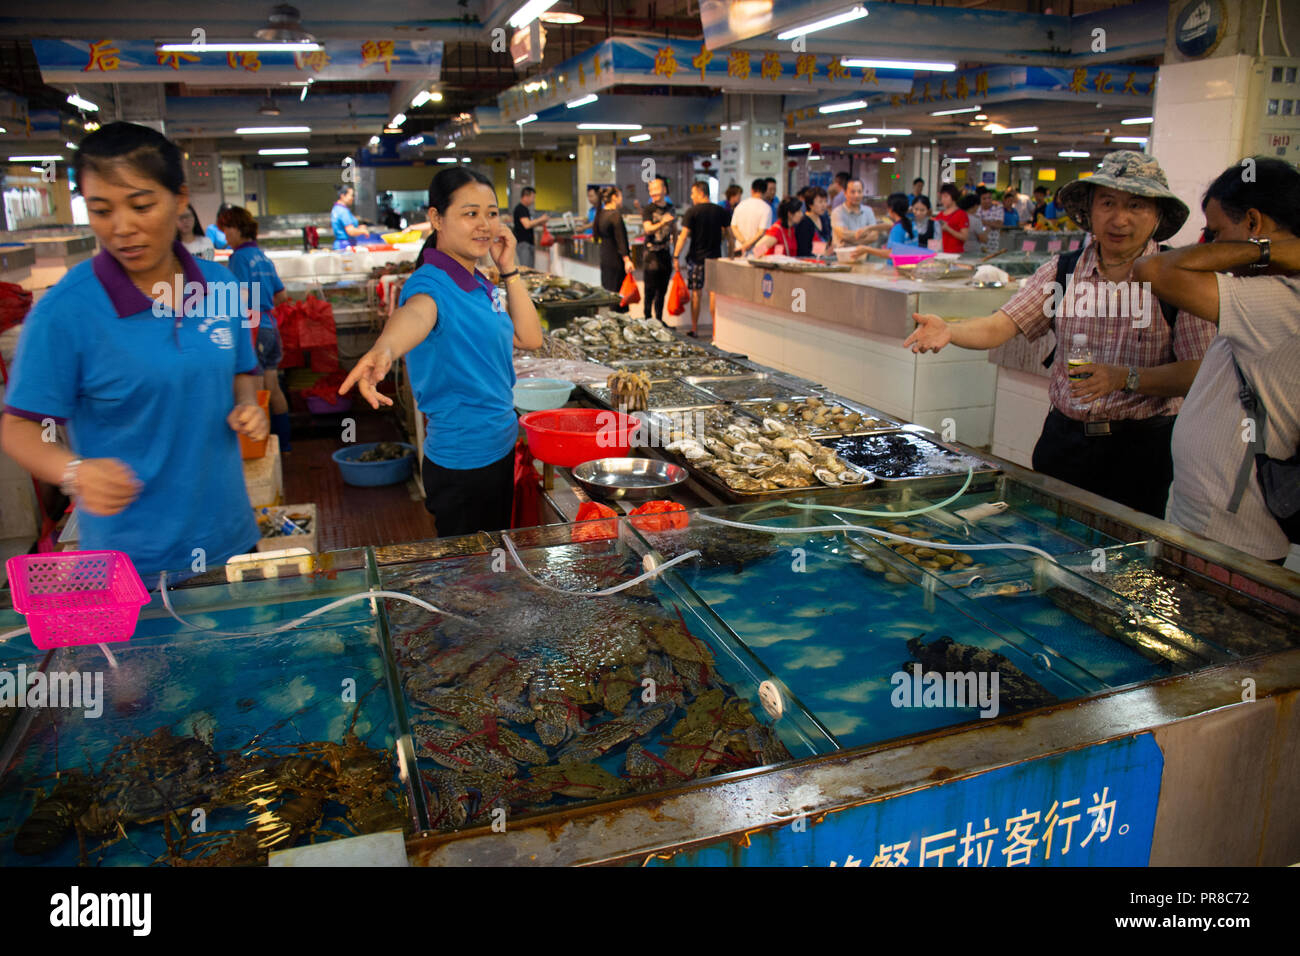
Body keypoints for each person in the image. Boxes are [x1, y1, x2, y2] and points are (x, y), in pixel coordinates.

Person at [0, 122, 266, 579]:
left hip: (230, 540)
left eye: (141, 205)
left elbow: (243, 370)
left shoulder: (220, 286)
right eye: (101, 211)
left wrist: (246, 405)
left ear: (180, 199)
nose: (122, 228)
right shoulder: (66, 312)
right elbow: (20, 427)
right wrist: (74, 472)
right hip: (132, 563)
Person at [904, 150, 1217, 518]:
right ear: (1089, 210)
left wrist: (1127, 378)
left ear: (1157, 214)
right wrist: (951, 330)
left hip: (1140, 449)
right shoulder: (1062, 271)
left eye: (1136, 205)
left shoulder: (1180, 280)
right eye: (1108, 203)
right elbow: (1001, 324)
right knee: (1048, 540)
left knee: (1126, 558)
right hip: (1065, 441)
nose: (1120, 219)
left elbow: (1201, 371)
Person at [338, 168, 543, 538]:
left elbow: (530, 338)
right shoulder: (431, 283)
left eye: (492, 213)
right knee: (470, 579)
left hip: (497, 446)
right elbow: (416, 313)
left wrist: (508, 268)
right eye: (470, 213)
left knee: (492, 565)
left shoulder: (478, 279)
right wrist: (384, 349)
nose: (484, 225)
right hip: (464, 464)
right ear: (436, 218)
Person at [1133, 158, 1300, 563]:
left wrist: (1262, 253)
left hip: (1230, 539)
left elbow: (1152, 268)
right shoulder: (1264, 293)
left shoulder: (1282, 299)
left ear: (1254, 224)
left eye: (1217, 233)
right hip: (1207, 524)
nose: (1210, 246)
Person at [217, 204, 292, 453]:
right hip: (270, 326)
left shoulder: (239, 258)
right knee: (274, 388)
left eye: (226, 229)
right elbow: (281, 295)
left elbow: (239, 297)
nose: (225, 235)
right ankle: (285, 446)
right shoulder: (262, 257)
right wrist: (263, 301)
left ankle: (261, 449)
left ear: (238, 228)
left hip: (253, 328)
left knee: (257, 394)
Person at [674, 180, 732, 338]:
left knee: (696, 294)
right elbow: (729, 236)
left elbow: (683, 236)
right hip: (715, 259)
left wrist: (676, 255)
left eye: (693, 193)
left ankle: (694, 328)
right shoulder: (720, 211)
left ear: (700, 193)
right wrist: (732, 255)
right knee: (714, 294)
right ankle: (715, 331)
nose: (692, 197)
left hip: (696, 259)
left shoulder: (692, 212)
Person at [639, 177, 676, 322]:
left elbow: (674, 230)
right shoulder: (648, 209)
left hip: (665, 253)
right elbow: (648, 229)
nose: (652, 192)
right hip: (651, 254)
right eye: (650, 190)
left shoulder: (670, 208)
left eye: (655, 189)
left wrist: (676, 253)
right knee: (649, 290)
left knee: (662, 290)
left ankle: (659, 321)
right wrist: (662, 222)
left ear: (664, 189)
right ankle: (648, 320)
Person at [594, 186, 634, 312]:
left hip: (605, 258)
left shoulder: (601, 214)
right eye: (620, 196)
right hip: (616, 261)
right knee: (618, 297)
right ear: (614, 198)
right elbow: (621, 240)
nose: (622, 200)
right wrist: (627, 260)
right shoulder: (615, 216)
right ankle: (618, 326)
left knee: (609, 294)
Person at [831, 180, 889, 249]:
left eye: (859, 192)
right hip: (843, 256)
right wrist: (866, 233)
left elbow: (874, 235)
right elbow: (844, 234)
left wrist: (851, 242)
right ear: (845, 193)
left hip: (865, 256)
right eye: (853, 192)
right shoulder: (837, 212)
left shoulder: (868, 210)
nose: (857, 195)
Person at [730, 178, 774, 258]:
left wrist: (744, 243)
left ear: (752, 190)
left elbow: (733, 227)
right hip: (756, 252)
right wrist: (748, 245)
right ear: (765, 191)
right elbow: (761, 232)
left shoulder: (740, 205)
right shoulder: (766, 208)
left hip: (739, 249)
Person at [511, 186, 548, 270]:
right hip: (523, 244)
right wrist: (541, 219)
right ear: (526, 196)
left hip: (528, 243)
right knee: (526, 269)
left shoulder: (525, 209)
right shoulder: (520, 209)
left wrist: (539, 223)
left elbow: (529, 224)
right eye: (532, 197)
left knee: (530, 268)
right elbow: (527, 225)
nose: (533, 200)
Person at [795, 186, 833, 256]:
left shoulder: (824, 219)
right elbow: (803, 252)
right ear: (810, 204)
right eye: (820, 202)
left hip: (824, 261)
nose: (824, 205)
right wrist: (824, 254)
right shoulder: (804, 223)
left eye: (825, 201)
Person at [933, 184, 971, 254]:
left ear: (953, 196)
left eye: (946, 197)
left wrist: (948, 229)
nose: (943, 200)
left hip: (955, 253)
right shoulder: (940, 215)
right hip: (940, 253)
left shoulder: (961, 214)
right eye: (941, 197)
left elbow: (964, 237)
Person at [332, 185, 370, 249]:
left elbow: (343, 227)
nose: (353, 198)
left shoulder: (336, 208)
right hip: (345, 246)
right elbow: (351, 231)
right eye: (351, 195)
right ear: (343, 196)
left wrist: (358, 228)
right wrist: (363, 231)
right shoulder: (343, 211)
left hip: (340, 245)